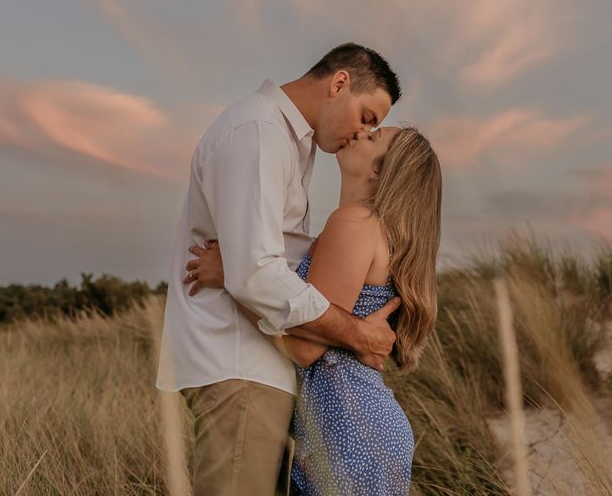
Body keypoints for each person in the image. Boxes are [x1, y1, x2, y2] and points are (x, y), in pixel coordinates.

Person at [156, 43, 403, 496]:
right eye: (367, 117)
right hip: (239, 364)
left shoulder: (286, 141)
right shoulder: (259, 132)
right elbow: (257, 273)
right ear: (340, 82)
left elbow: (268, 261)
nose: (362, 132)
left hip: (259, 365)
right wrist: (357, 334)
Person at [187, 125, 442, 495]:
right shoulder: (368, 229)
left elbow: (304, 347)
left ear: (378, 171)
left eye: (373, 138)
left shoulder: (355, 224)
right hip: (358, 428)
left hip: (351, 431)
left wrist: (232, 278)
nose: (359, 132)